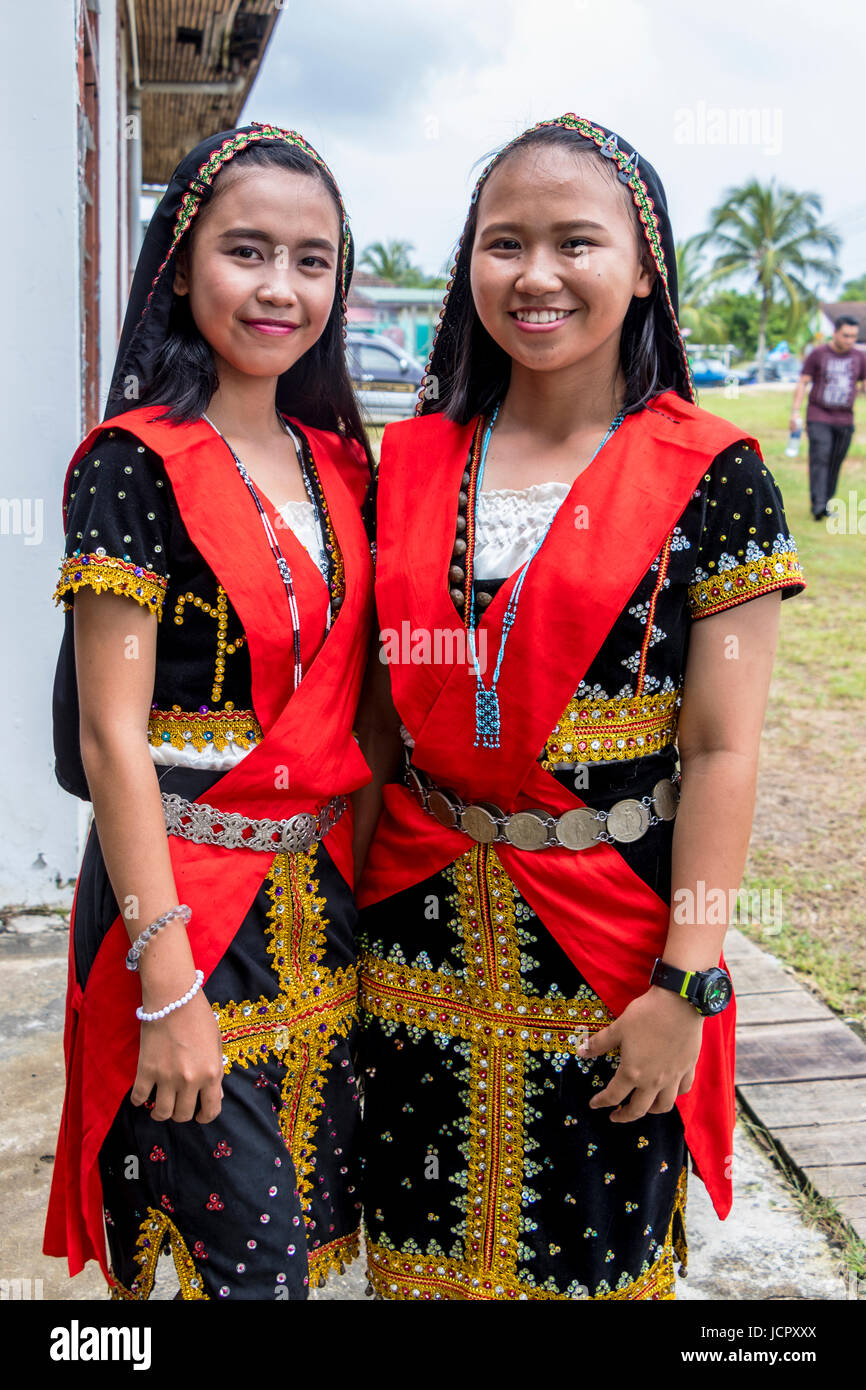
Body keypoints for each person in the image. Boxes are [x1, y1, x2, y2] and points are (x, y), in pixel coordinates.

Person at [352, 114, 806, 1302]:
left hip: (610, 950)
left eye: (575, 242)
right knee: (414, 1258)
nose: (535, 275)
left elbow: (720, 752)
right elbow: (376, 727)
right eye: (502, 242)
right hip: (411, 942)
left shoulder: (712, 473)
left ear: (643, 264)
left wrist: (687, 985)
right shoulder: (405, 463)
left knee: (590, 1261)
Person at [43, 123, 375, 1300]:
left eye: (312, 260)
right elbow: (108, 736)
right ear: (180, 265)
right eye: (246, 251)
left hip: (316, 909)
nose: (279, 288)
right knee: (242, 1263)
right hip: (177, 912)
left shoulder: (341, 464)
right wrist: (167, 982)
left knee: (302, 1249)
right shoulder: (128, 463)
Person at [791, 314, 865, 519]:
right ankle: (818, 505)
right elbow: (803, 382)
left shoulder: (859, 357)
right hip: (819, 415)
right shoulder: (818, 354)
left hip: (845, 419)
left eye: (853, 336)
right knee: (820, 458)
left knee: (835, 461)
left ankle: (827, 503)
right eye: (846, 335)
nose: (849, 340)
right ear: (836, 333)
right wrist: (795, 411)